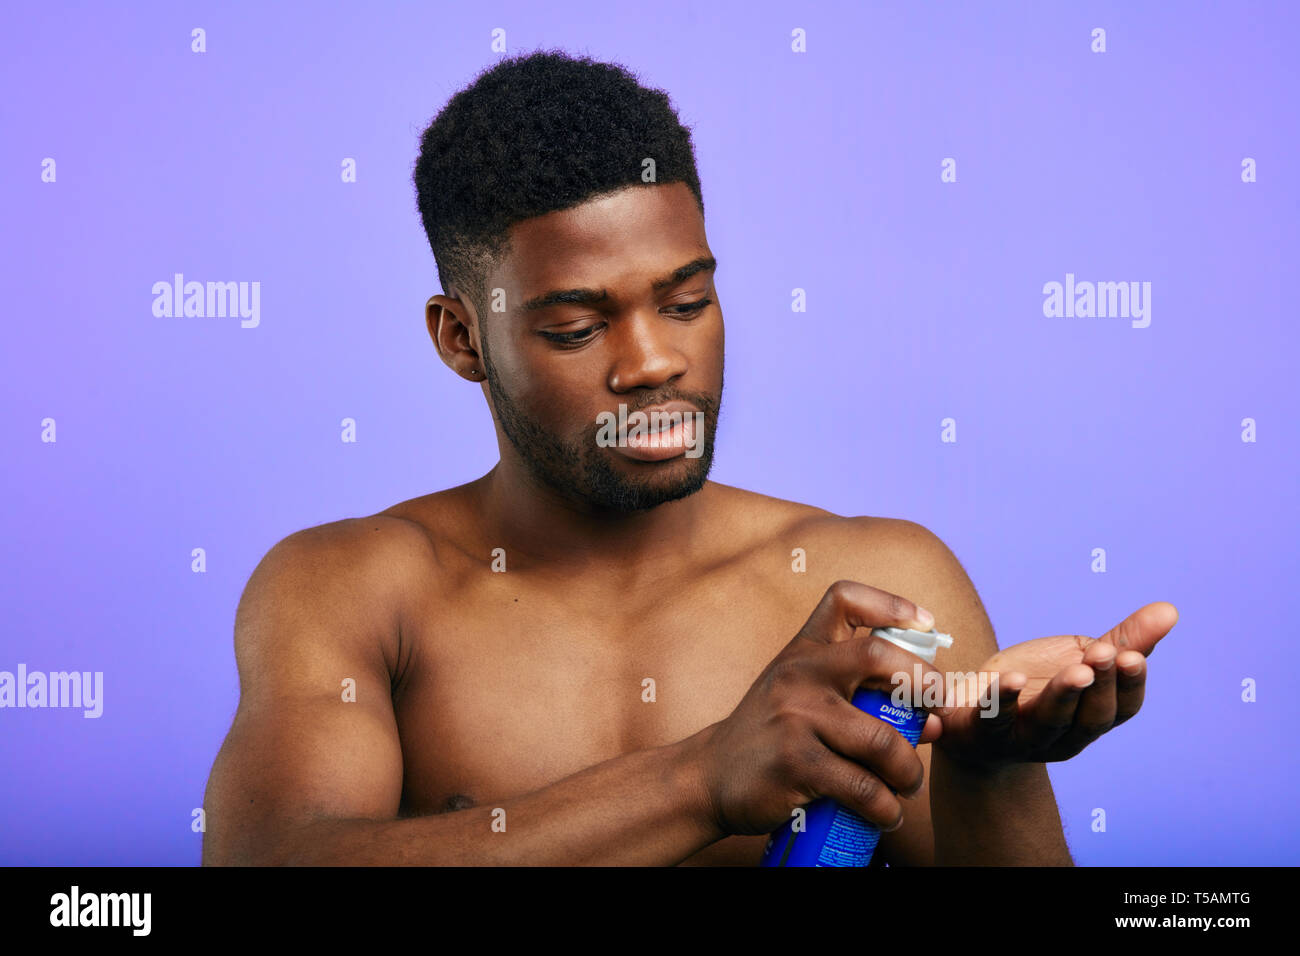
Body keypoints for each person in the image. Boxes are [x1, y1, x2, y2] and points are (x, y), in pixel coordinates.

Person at [201, 48, 1177, 866]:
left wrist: (991, 764)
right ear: (462, 338)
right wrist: (701, 775)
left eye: (685, 302)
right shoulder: (355, 588)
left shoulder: (883, 580)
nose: (655, 362)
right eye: (579, 327)